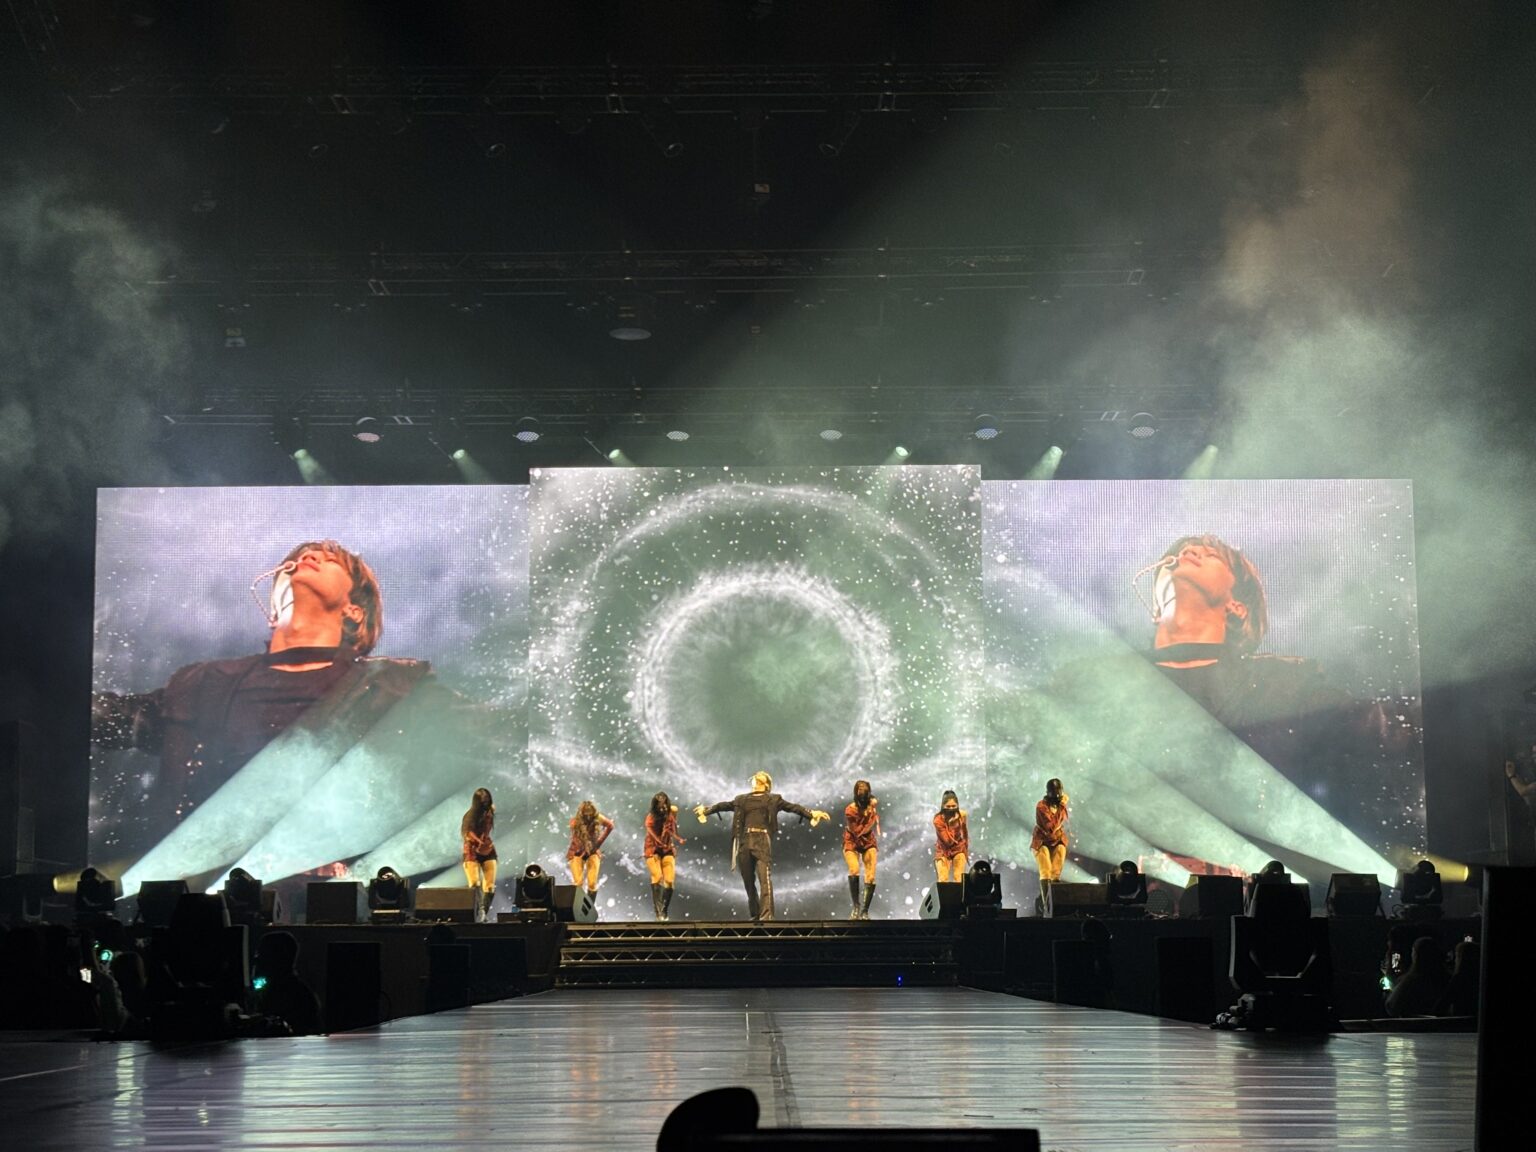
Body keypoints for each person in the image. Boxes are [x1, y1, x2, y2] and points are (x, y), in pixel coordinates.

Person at [91, 541, 428, 850]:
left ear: (354, 610)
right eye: (301, 557)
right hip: (204, 898)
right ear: (274, 605)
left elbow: (475, 739)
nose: (308, 557)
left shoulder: (393, 688)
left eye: (329, 559)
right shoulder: (203, 685)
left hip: (330, 896)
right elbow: (107, 719)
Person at [694, 772, 830, 922]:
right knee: (747, 880)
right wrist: (706, 811)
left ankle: (766, 916)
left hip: (762, 840)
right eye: (756, 777)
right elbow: (723, 805)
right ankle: (755, 913)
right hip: (745, 840)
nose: (757, 777)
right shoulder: (741, 799)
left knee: (764, 878)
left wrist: (811, 814)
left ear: (766, 785)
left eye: (761, 778)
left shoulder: (773, 799)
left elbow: (793, 807)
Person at [842, 780, 880, 920]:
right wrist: (867, 816)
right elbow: (857, 831)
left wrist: (872, 806)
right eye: (859, 791)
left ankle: (865, 911)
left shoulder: (871, 804)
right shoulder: (850, 810)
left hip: (868, 840)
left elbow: (872, 798)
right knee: (854, 869)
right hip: (852, 839)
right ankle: (856, 906)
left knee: (870, 875)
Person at [645, 791, 684, 921]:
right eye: (660, 807)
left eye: (665, 806)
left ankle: (664, 911)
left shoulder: (671, 812)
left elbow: (672, 823)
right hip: (653, 848)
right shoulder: (650, 819)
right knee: (657, 876)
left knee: (669, 880)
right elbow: (654, 837)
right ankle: (658, 912)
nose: (663, 809)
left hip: (667, 849)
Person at [1031, 777, 1069, 914]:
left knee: (1056, 872)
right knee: (1046, 870)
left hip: (1058, 839)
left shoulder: (1059, 806)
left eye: (1059, 791)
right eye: (1055, 791)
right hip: (1042, 840)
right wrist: (1063, 805)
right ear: (1049, 792)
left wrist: (1061, 806)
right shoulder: (1041, 806)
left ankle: (1054, 903)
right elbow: (1051, 827)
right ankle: (1046, 904)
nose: (1058, 794)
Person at [461, 788, 497, 923]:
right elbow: (467, 833)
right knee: (475, 882)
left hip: (488, 850)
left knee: (490, 885)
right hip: (472, 851)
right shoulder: (469, 816)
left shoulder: (490, 812)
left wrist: (485, 844)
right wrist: (479, 843)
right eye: (483, 801)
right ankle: (480, 912)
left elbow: (492, 809)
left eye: (487, 800)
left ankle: (483, 913)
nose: (486, 803)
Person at [567, 801, 615, 898]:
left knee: (592, 883)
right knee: (578, 883)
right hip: (577, 852)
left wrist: (598, 843)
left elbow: (610, 826)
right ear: (582, 814)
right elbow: (577, 841)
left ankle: (590, 907)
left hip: (593, 852)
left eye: (590, 814)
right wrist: (585, 850)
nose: (588, 817)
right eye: (586, 815)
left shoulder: (598, 818)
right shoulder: (575, 823)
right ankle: (576, 907)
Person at [933, 790, 969, 882]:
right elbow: (948, 841)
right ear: (943, 806)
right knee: (943, 879)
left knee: (959, 878)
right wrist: (953, 824)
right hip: (943, 850)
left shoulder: (961, 815)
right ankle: (944, 896)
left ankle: (959, 896)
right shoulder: (938, 820)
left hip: (958, 848)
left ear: (957, 806)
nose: (951, 809)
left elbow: (965, 832)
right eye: (948, 806)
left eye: (953, 806)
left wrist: (965, 847)